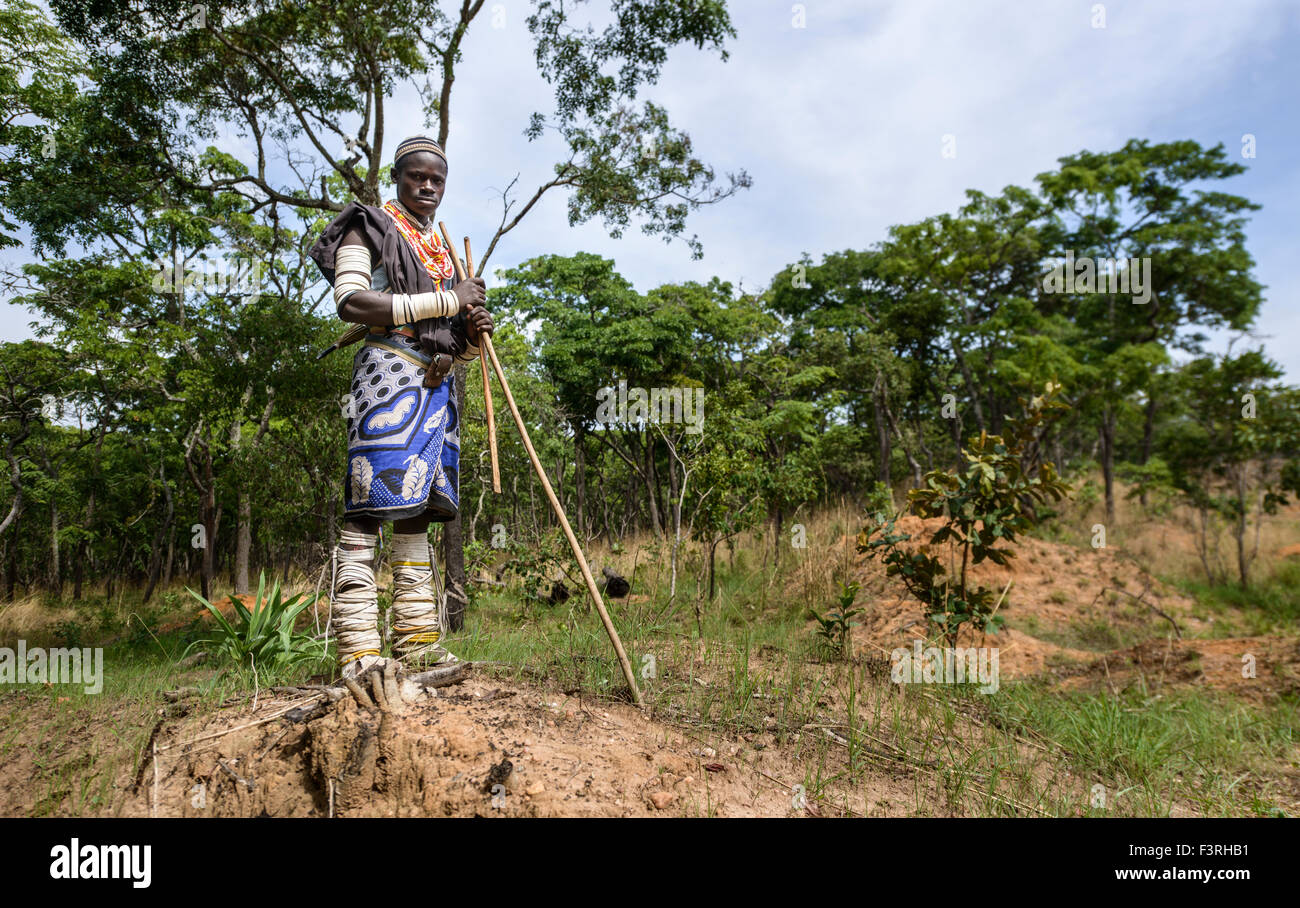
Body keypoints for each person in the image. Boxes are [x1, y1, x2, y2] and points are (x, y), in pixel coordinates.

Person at [308, 134, 493, 678]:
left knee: (417, 514)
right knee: (369, 506)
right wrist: (449, 299)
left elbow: (451, 332)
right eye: (417, 176)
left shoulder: (439, 250)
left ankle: (417, 642)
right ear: (398, 177)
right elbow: (352, 302)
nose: (428, 186)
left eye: (437, 179)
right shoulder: (367, 226)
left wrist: (471, 330)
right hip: (388, 377)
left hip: (438, 386)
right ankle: (360, 652)